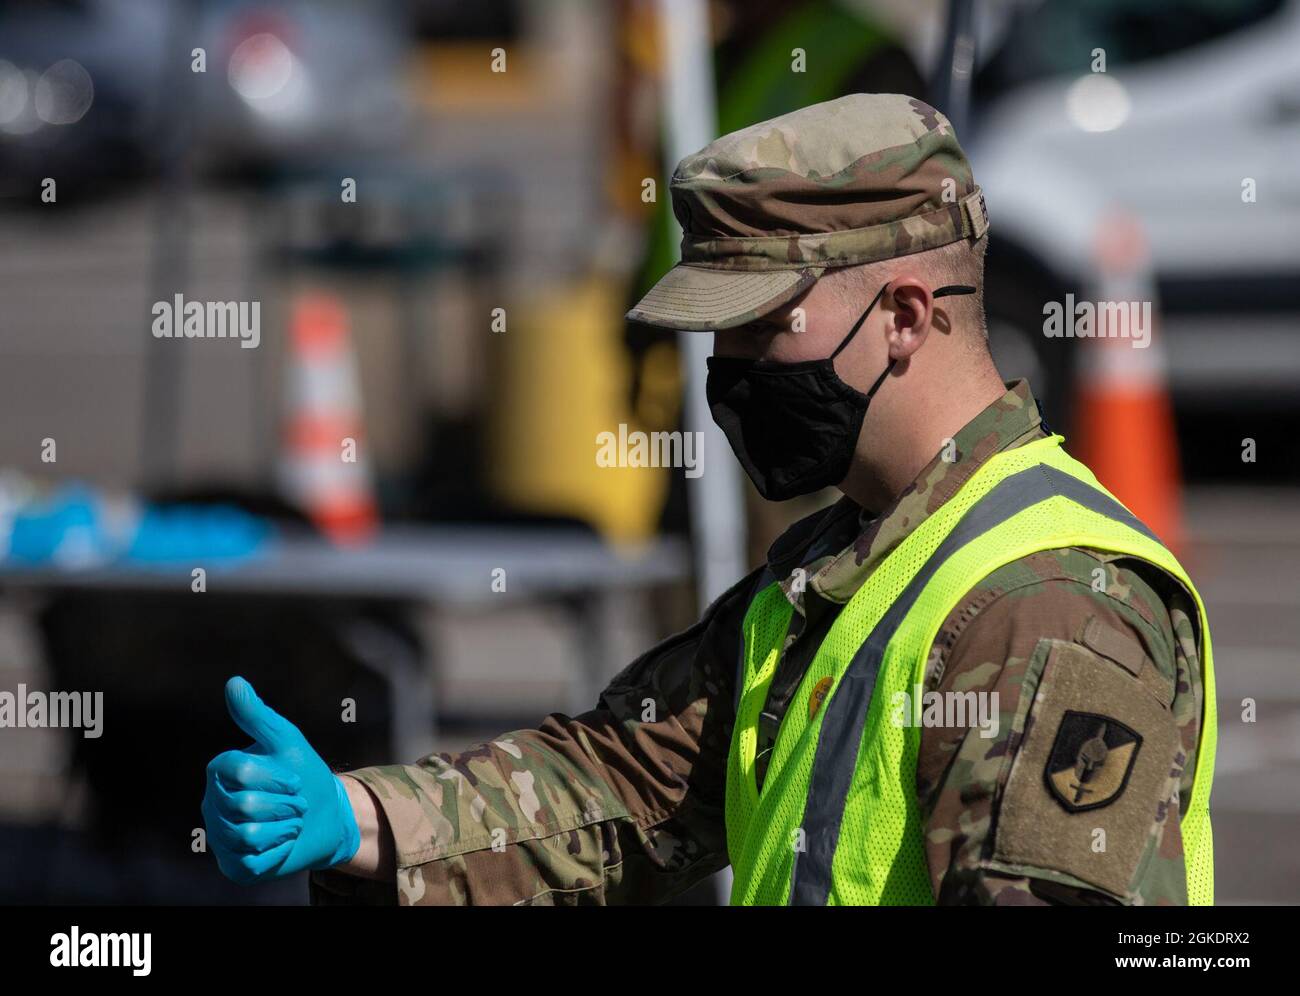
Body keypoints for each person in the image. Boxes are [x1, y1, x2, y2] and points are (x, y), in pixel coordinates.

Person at [202, 94, 1216, 905]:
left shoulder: (1041, 602)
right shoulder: (844, 564)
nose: (728, 372)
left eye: (760, 329)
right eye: (716, 337)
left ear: (904, 315)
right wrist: (359, 818)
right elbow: (621, 786)